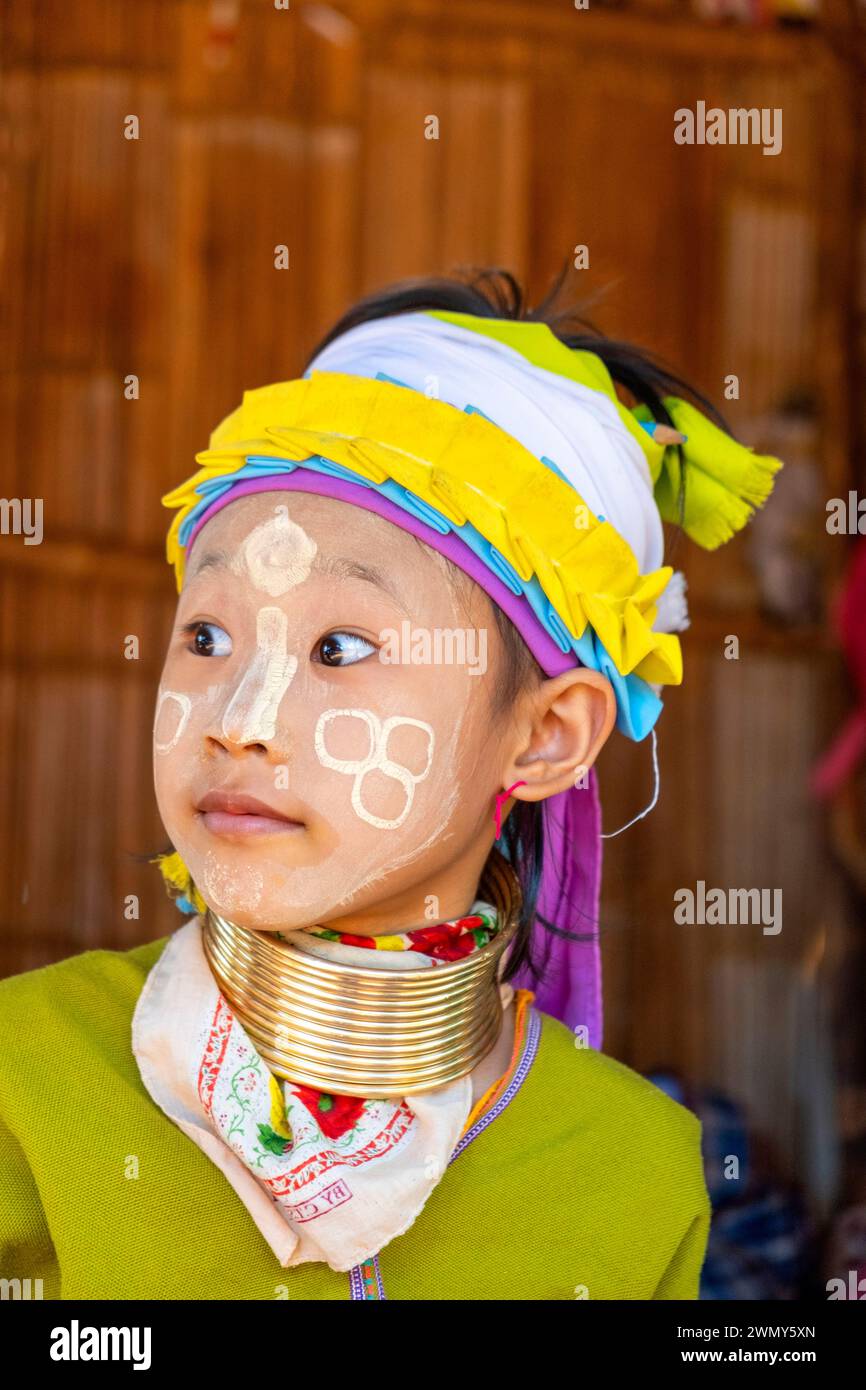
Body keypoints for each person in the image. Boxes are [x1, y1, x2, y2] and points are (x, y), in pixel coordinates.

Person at [0, 267, 783, 1300]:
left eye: (337, 647)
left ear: (546, 735)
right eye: (206, 634)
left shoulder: (630, 1169)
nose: (239, 718)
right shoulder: (29, 1074)